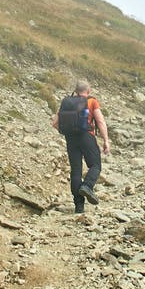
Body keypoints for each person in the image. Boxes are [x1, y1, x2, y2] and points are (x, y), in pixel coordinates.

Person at [52, 80, 110, 213]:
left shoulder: (66, 102)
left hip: (71, 139)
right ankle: (87, 186)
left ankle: (79, 207)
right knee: (95, 165)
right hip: (86, 136)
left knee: (76, 170)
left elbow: (55, 123)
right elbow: (100, 121)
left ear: (76, 90)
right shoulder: (92, 101)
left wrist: (68, 131)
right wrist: (106, 140)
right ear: (88, 91)